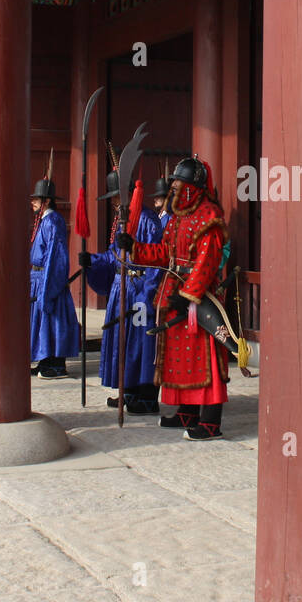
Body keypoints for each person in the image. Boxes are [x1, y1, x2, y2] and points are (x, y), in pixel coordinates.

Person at [118, 156, 230, 440]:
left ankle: (210, 421)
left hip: (199, 297)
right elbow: (164, 255)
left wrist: (188, 294)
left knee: (205, 357)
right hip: (173, 292)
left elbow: (207, 261)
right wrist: (134, 247)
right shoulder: (177, 218)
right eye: (175, 183)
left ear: (195, 186)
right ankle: (186, 412)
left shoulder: (209, 216)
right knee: (179, 357)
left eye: (181, 183)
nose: (176, 187)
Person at [81, 171, 164, 414]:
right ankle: (127, 391)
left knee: (142, 342)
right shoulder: (121, 221)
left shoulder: (148, 220)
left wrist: (147, 297)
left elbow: (155, 262)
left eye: (117, 197)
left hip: (139, 289)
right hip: (121, 289)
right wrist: (92, 261)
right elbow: (113, 256)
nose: (115, 203)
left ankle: (147, 397)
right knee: (123, 342)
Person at [29, 176, 80, 380]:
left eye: (37, 199)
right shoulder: (43, 221)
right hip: (38, 276)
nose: (32, 202)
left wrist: (50, 283)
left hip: (48, 277)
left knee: (52, 321)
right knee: (42, 322)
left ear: (47, 201)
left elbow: (55, 254)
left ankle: (55, 364)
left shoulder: (53, 221)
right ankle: (44, 360)